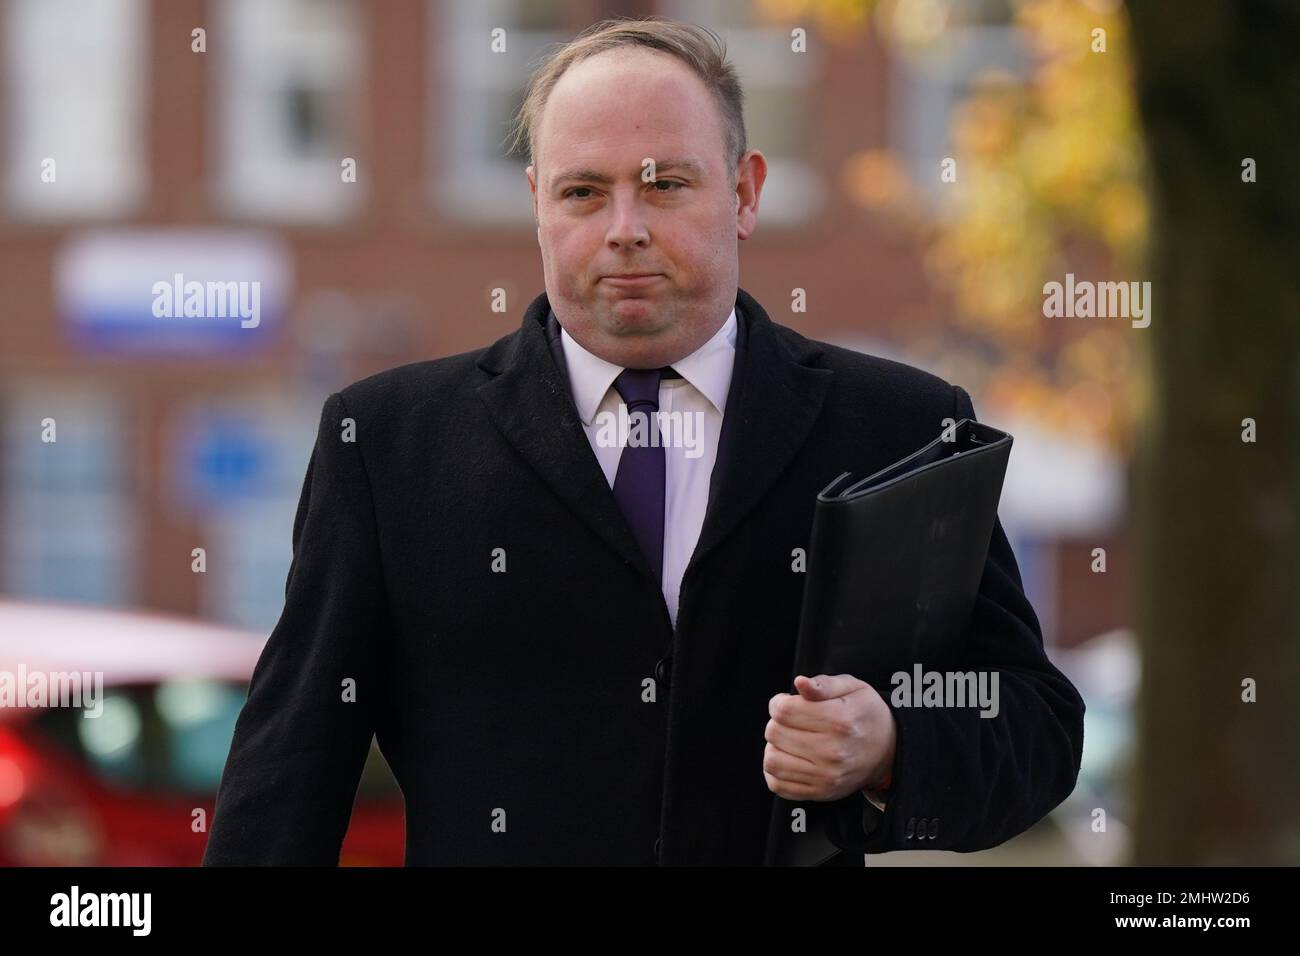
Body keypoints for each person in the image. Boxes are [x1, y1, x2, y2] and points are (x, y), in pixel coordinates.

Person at [203, 16, 1084, 867]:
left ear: (743, 193)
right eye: (583, 190)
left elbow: (1034, 724)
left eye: (664, 184)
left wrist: (891, 743)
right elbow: (291, 769)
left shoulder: (899, 426)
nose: (624, 226)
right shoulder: (387, 444)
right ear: (537, 207)